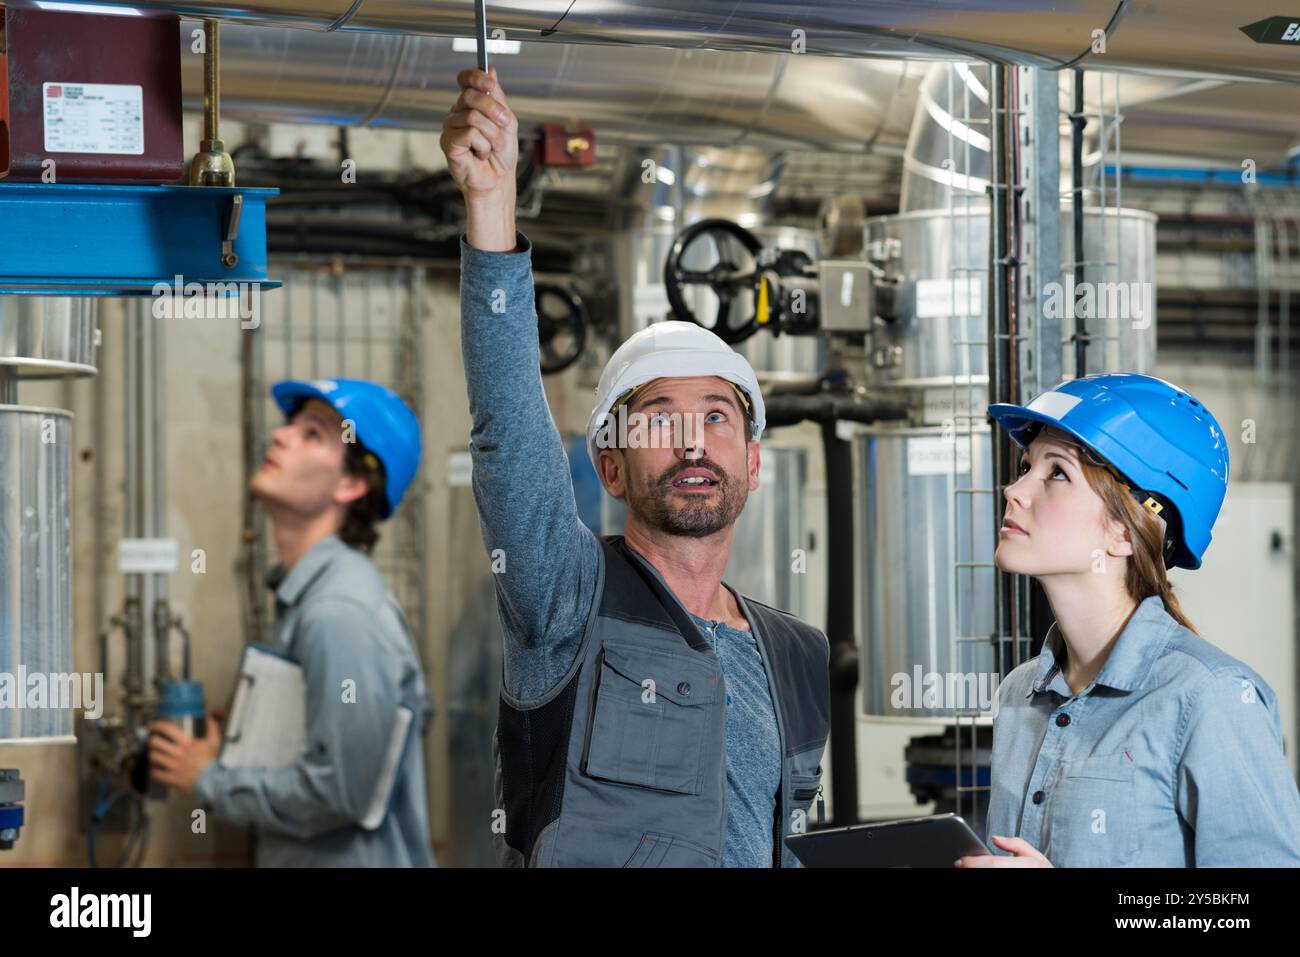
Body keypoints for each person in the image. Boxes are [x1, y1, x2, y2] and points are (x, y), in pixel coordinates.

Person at [442, 66, 829, 867]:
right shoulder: (568, 599)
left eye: (716, 416)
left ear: (753, 463)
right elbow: (508, 435)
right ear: (611, 470)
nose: (693, 441)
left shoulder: (797, 653)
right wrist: (491, 208)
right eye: (660, 417)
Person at [958, 372, 1300, 867]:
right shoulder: (1019, 696)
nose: (1015, 489)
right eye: (1026, 465)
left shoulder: (1212, 699)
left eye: (1056, 474)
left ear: (1123, 531)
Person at [148, 377, 436, 867]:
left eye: (313, 434)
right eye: (290, 425)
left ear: (351, 483)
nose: (280, 436)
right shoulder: (307, 598)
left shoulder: (339, 613)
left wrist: (209, 778)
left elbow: (340, 791)